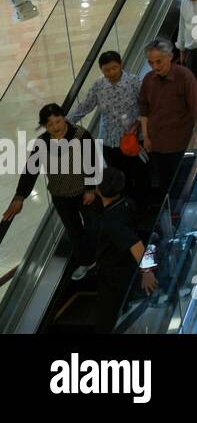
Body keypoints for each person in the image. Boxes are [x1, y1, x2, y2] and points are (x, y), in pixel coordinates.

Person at [3, 104, 100, 281]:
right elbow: (30, 171)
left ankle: (103, 257)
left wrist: (90, 189)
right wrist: (20, 197)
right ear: (45, 126)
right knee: (74, 231)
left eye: (58, 121)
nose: (56, 127)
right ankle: (87, 262)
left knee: (94, 226)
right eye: (50, 125)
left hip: (84, 194)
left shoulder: (80, 135)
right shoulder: (42, 143)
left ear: (64, 118)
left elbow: (92, 161)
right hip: (60, 197)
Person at [138, 38, 197, 209]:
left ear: (170, 56)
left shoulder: (184, 76)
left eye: (159, 61)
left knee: (184, 185)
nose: (155, 66)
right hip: (157, 143)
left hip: (181, 143)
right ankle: (170, 217)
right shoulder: (148, 79)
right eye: (151, 62)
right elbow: (144, 110)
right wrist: (146, 136)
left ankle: (188, 215)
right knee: (164, 187)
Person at [67, 51, 144, 202]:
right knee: (116, 177)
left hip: (133, 139)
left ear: (121, 65)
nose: (111, 72)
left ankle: (142, 205)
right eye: (107, 70)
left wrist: (139, 122)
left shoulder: (134, 82)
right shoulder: (99, 86)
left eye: (114, 68)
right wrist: (64, 123)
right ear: (101, 69)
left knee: (138, 174)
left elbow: (146, 106)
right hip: (110, 140)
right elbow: (84, 107)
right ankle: (123, 205)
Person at [93, 166, 155, 333]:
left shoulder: (111, 221)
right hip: (125, 265)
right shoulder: (126, 202)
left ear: (99, 189)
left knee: (106, 319)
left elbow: (136, 245)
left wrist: (147, 271)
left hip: (114, 275)